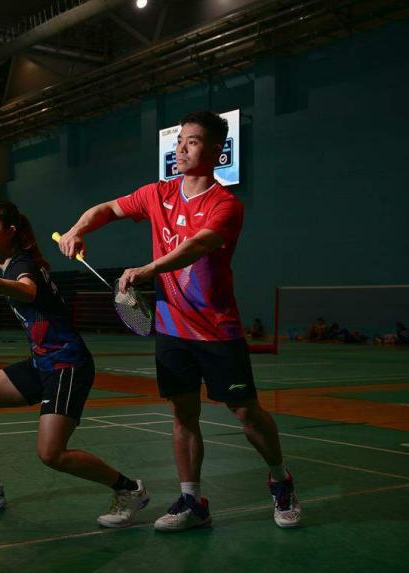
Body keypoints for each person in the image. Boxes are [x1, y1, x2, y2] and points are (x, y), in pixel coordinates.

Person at [56, 110, 301, 530]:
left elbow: (200, 245)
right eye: (180, 140)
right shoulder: (158, 193)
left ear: (216, 150)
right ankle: (192, 502)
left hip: (216, 329)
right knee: (183, 416)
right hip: (172, 330)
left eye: (192, 141)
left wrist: (148, 270)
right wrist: (80, 227)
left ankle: (281, 479)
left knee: (246, 413)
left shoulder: (226, 205)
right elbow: (109, 208)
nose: (181, 148)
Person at [0, 199, 149, 527]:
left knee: (51, 454)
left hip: (68, 365)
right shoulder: (4, 266)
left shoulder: (24, 265)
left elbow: (26, 290)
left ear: (9, 231)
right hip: (41, 363)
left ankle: (130, 489)